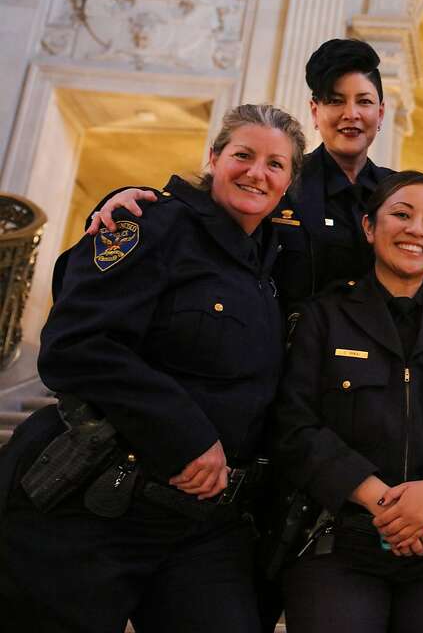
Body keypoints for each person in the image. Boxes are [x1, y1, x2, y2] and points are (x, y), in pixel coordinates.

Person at [0, 104, 305, 633]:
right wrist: (186, 434)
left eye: (275, 164)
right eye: (243, 155)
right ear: (213, 158)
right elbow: (77, 343)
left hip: (203, 527)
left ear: (288, 184)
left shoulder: (270, 266)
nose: (257, 172)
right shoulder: (152, 223)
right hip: (97, 506)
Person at [270, 171, 423, 633]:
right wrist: (384, 501)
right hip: (340, 541)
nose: (416, 230)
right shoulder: (324, 316)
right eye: (401, 215)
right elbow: (294, 424)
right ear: (369, 227)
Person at [87, 38, 393, 312]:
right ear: (315, 112)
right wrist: (134, 200)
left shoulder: (400, 196)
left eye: (364, 101)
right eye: (335, 101)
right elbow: (207, 210)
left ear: (380, 113)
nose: (350, 113)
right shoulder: (277, 182)